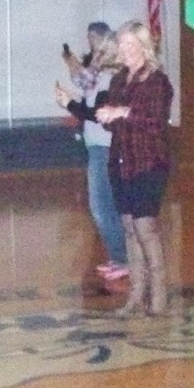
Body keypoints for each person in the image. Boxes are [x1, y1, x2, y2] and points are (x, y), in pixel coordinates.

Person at [63, 20, 173, 317]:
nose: (122, 50)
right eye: (120, 45)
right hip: (121, 162)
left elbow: (154, 120)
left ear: (143, 47)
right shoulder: (119, 81)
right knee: (128, 228)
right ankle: (135, 297)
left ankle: (159, 297)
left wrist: (121, 111)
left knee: (145, 228)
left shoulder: (157, 81)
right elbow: (104, 114)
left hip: (149, 163)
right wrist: (81, 107)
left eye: (128, 45)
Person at [56, 22, 127, 280]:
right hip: (98, 146)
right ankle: (118, 258)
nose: (92, 46)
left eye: (95, 40)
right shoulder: (98, 73)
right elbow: (83, 79)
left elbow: (97, 113)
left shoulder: (111, 76)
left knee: (101, 207)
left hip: (106, 148)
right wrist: (71, 60)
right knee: (105, 206)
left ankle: (123, 259)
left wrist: (70, 104)